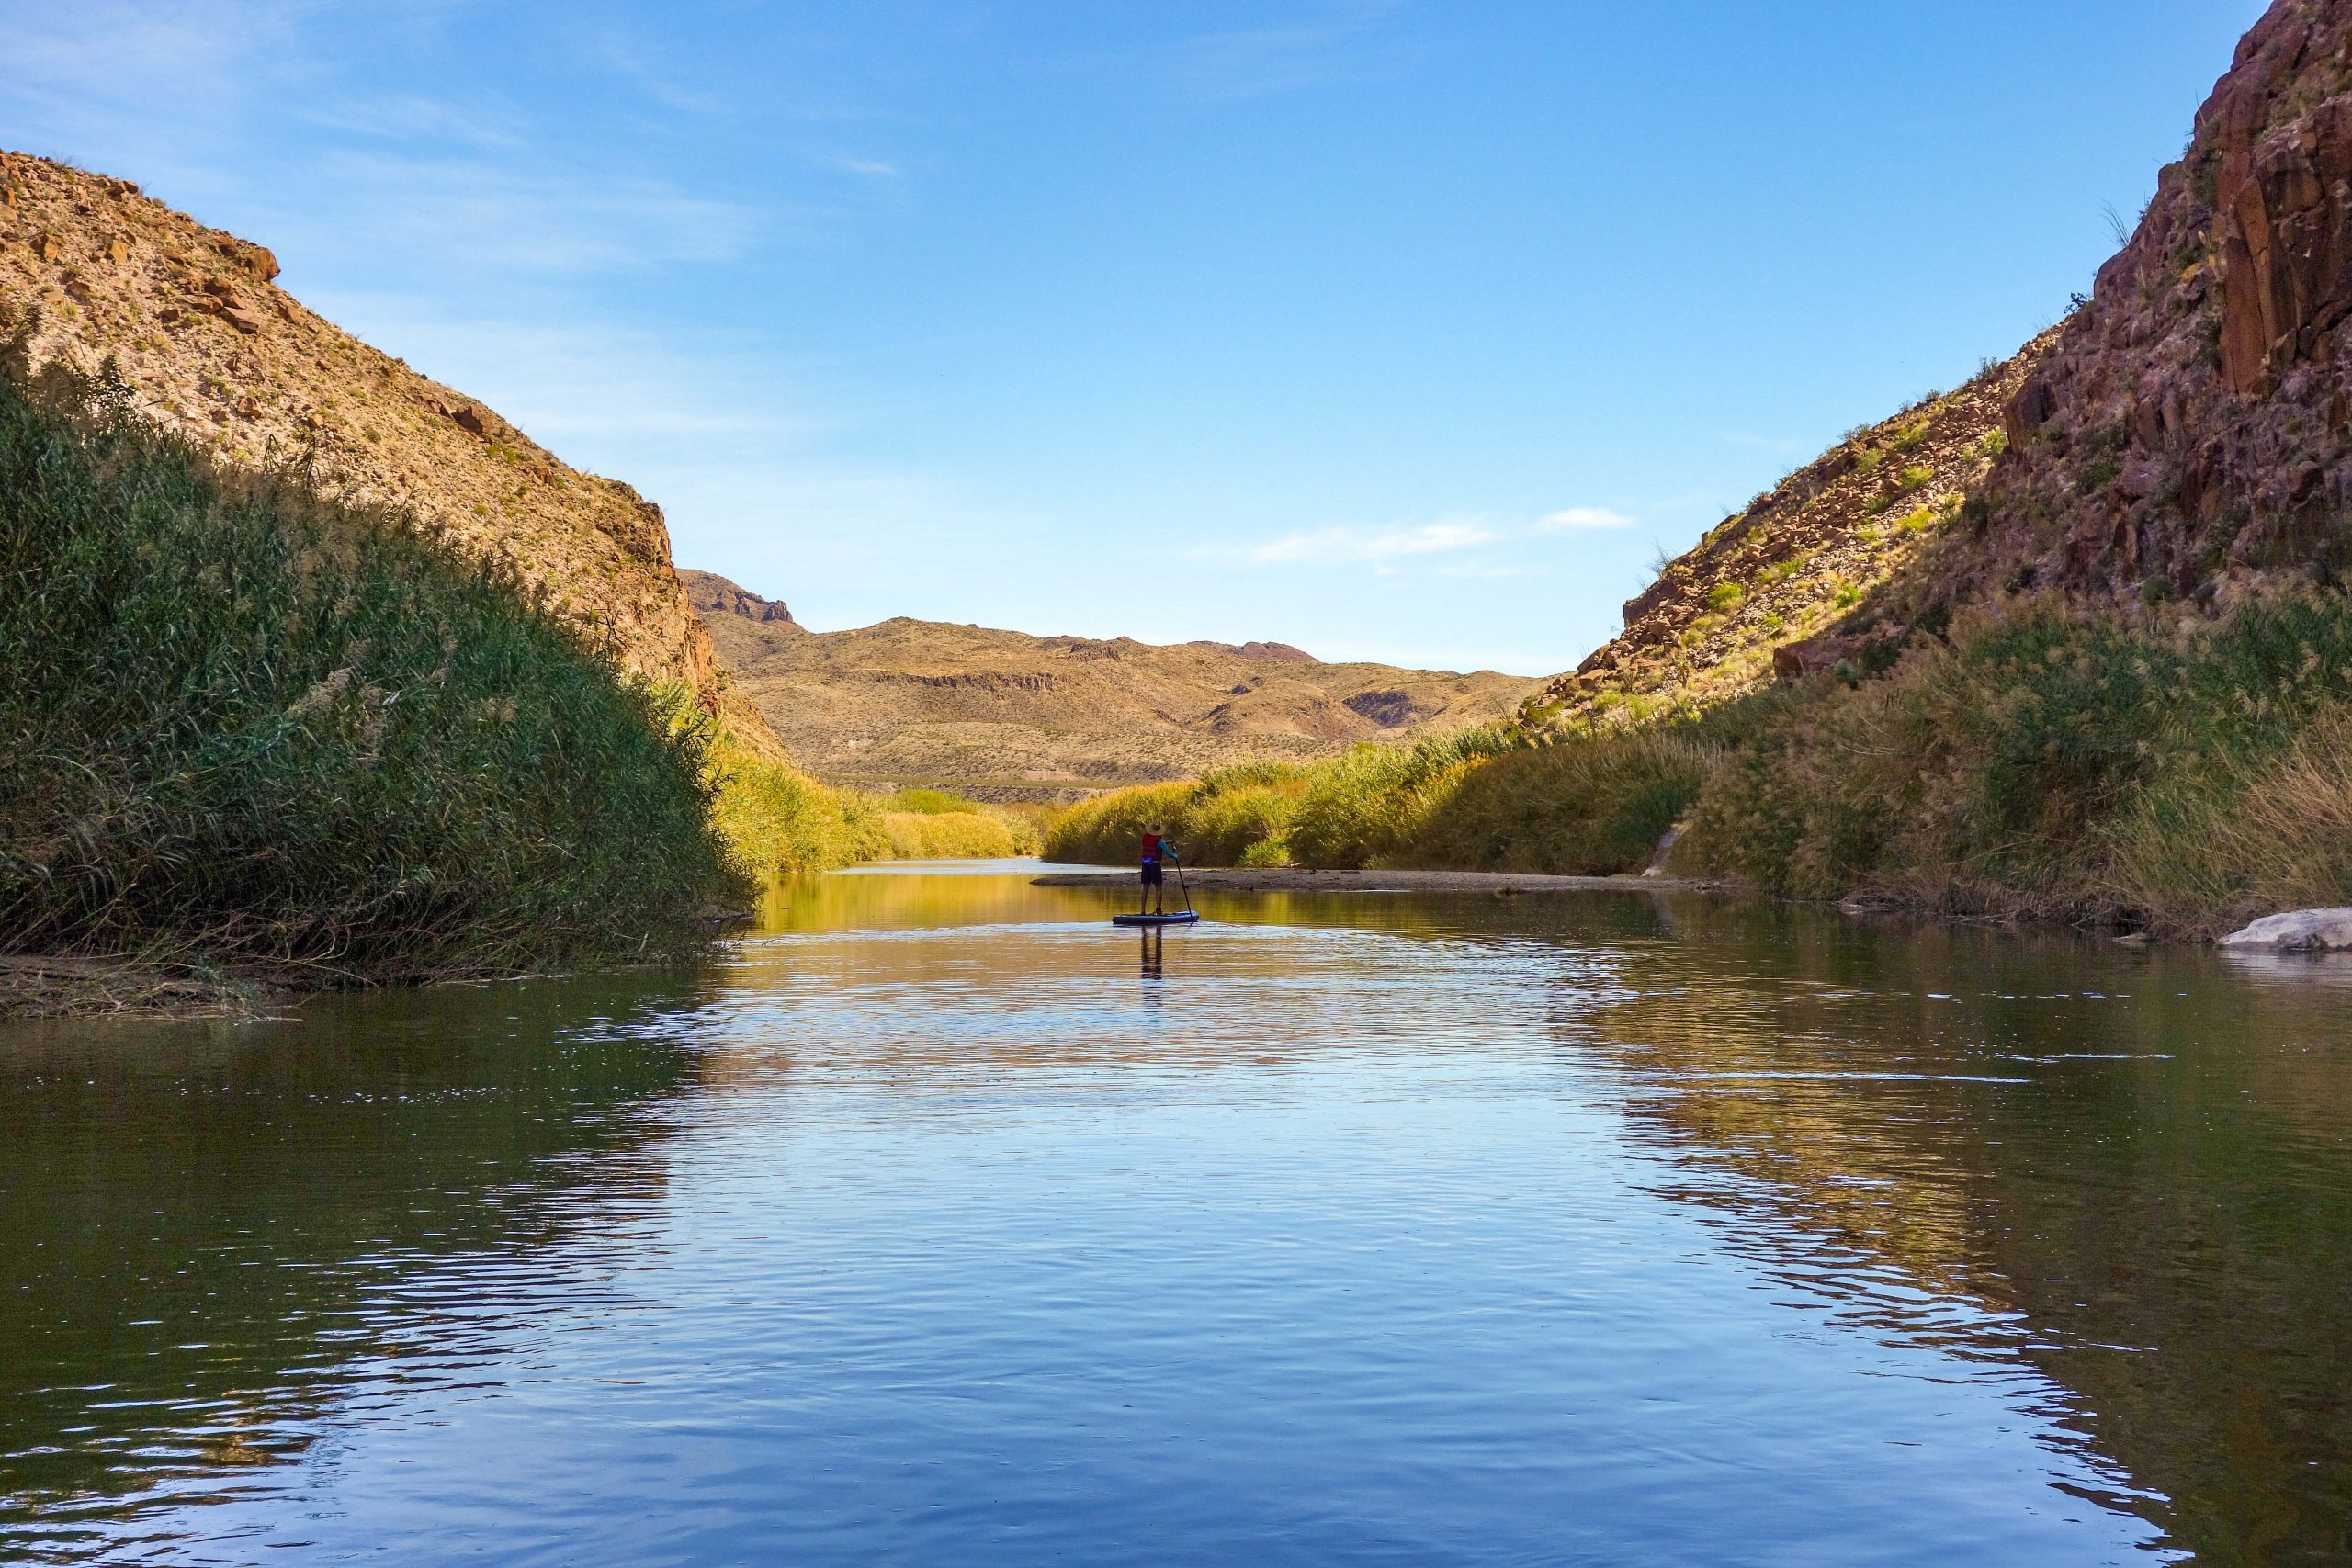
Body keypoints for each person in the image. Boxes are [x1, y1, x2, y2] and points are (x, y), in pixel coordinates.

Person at [1138, 820, 1179, 915]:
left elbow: (1155, 843)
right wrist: (1175, 855)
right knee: (1158, 888)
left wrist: (1167, 842)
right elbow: (1168, 853)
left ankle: (1143, 911)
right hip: (1155, 865)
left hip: (1145, 865)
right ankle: (1158, 910)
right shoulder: (1159, 841)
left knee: (1145, 888)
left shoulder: (1144, 838)